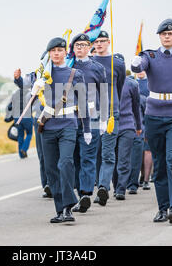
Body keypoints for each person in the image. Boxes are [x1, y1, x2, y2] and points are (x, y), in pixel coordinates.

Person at [131, 19, 172, 224]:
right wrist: (135, 63)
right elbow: (140, 65)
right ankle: (162, 207)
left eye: (171, 33)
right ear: (159, 36)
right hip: (154, 115)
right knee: (159, 164)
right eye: (163, 34)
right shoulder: (150, 55)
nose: (167, 36)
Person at [31, 37, 91, 224]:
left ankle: (68, 206)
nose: (56, 53)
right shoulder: (41, 75)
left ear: (66, 52)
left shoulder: (75, 74)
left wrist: (87, 129)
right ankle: (60, 209)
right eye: (53, 50)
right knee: (51, 170)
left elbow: (82, 103)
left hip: (68, 125)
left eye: (60, 50)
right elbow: (30, 94)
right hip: (48, 126)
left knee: (65, 163)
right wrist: (35, 86)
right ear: (49, 54)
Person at [69, 34, 108, 213]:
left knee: (88, 157)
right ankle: (78, 193)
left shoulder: (97, 68)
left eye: (84, 45)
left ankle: (85, 193)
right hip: (70, 119)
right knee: (74, 159)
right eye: (77, 45)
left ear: (89, 47)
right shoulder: (68, 65)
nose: (80, 48)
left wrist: (103, 119)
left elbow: (104, 94)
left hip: (91, 118)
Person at [92, 31, 126, 207]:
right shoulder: (89, 62)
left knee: (107, 152)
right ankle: (98, 184)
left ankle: (103, 187)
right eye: (96, 41)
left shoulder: (117, 63)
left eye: (102, 41)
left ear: (108, 42)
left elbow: (120, 85)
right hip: (92, 113)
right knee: (95, 152)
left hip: (111, 112)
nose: (99, 44)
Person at [14, 68, 51, 198]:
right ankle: (47, 185)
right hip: (39, 119)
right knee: (42, 154)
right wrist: (18, 79)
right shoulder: (36, 75)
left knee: (55, 154)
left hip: (57, 119)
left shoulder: (62, 71)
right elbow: (24, 85)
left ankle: (58, 183)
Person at [115, 69, 142, 200]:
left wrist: (138, 125)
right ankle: (116, 186)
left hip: (127, 126)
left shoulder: (132, 84)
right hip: (111, 126)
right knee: (111, 159)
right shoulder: (108, 83)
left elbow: (136, 106)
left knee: (124, 159)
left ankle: (121, 188)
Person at [135, 71, 153, 188]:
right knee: (139, 151)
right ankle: (141, 176)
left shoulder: (150, 83)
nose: (140, 72)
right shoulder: (133, 82)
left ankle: (146, 178)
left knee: (147, 149)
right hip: (137, 119)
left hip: (149, 116)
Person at [12, 69, 33, 159]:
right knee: (29, 134)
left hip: (17, 117)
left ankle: (21, 154)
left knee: (20, 135)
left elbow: (10, 106)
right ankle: (24, 149)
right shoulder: (30, 93)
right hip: (27, 117)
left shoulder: (15, 94)